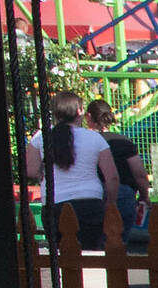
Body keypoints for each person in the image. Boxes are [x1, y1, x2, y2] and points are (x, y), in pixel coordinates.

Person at [24, 91, 118, 250]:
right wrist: (110, 204)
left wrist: (42, 172)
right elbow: (112, 178)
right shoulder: (95, 138)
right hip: (90, 202)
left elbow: (31, 170)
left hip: (55, 202)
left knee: (63, 257)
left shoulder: (41, 137)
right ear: (80, 111)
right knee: (92, 256)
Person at [85, 99, 149, 242]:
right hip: (124, 193)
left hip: (92, 194)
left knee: (94, 243)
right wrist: (144, 196)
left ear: (88, 117)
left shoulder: (85, 142)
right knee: (119, 243)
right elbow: (139, 174)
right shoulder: (123, 142)